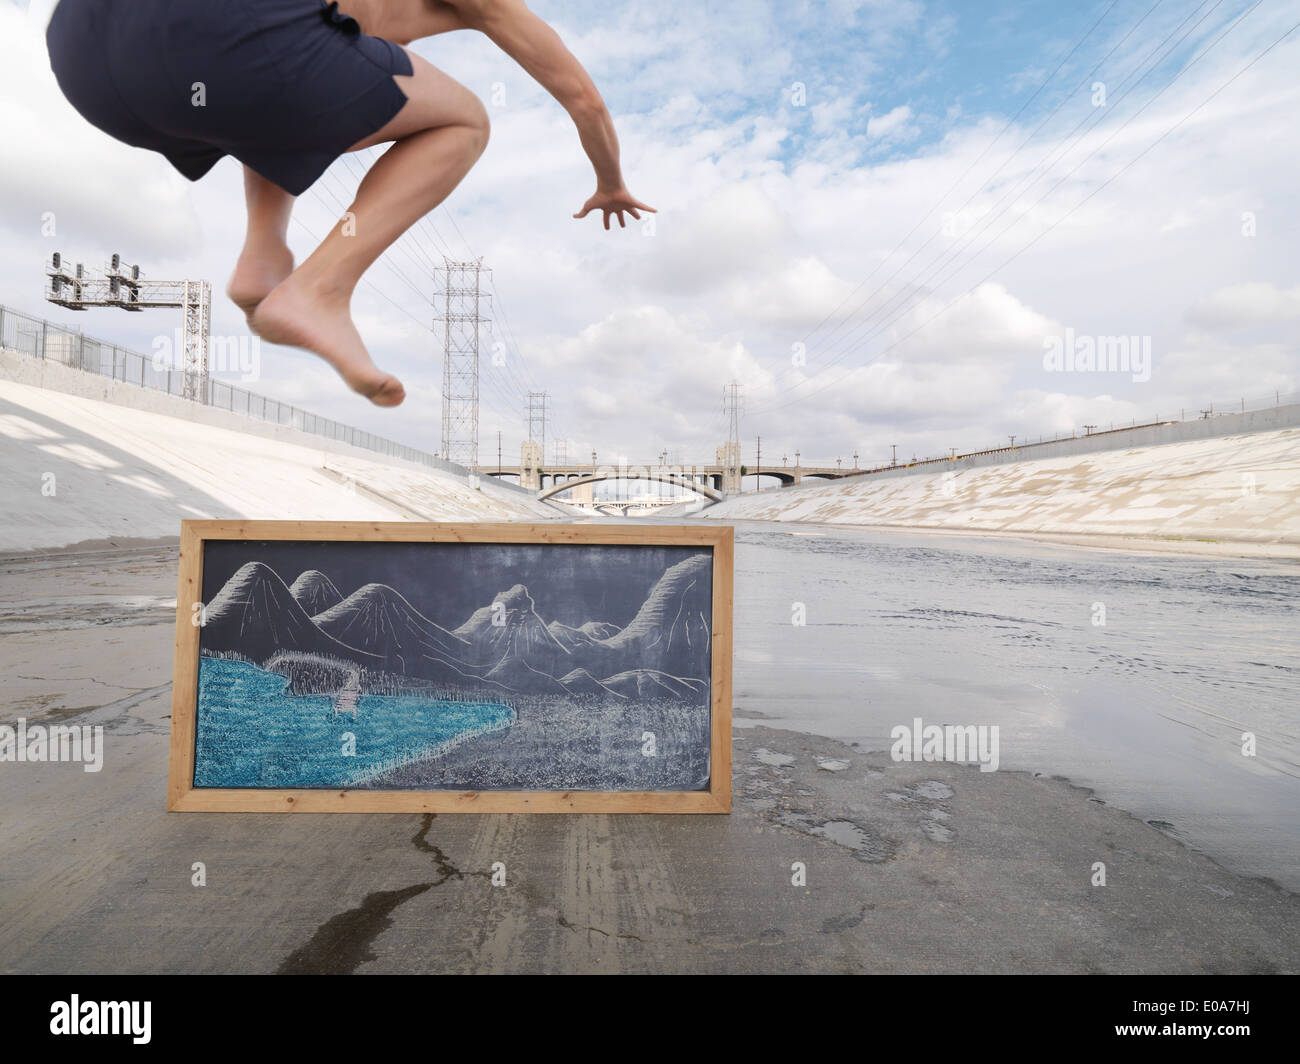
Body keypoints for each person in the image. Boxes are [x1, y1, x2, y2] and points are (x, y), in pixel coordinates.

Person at [46, 0, 654, 406]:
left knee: (297, 102)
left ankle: (263, 257)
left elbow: (296, 97)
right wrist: (610, 183)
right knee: (463, 121)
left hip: (84, 57)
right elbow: (586, 101)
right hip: (218, 42)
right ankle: (319, 289)